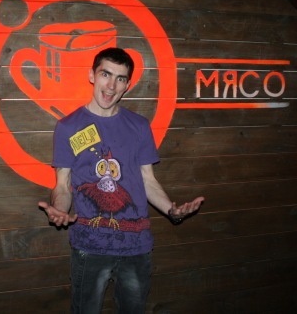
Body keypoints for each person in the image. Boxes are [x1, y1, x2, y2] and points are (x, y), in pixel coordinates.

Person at [38, 47, 204, 314]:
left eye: (120, 78)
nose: (111, 86)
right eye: (105, 74)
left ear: (127, 85)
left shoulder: (139, 126)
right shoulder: (69, 127)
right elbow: (62, 184)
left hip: (136, 246)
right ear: (92, 75)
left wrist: (172, 210)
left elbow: (148, 180)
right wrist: (59, 209)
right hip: (90, 245)